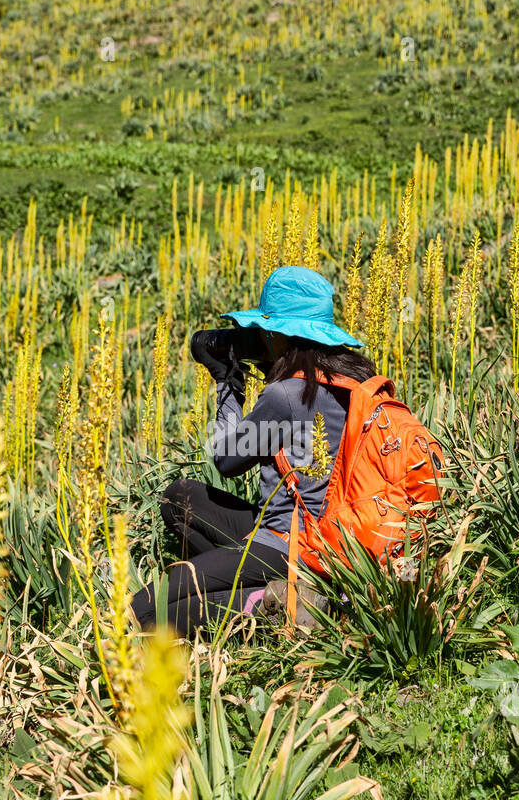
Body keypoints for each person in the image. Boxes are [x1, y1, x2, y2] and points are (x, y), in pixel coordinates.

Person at [131, 265, 377, 637]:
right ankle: (257, 587)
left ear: (278, 333)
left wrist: (228, 382)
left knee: (144, 610)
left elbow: (226, 459)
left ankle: (271, 603)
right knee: (180, 498)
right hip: (338, 539)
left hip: (292, 543)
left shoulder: (287, 395)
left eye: (263, 331)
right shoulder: (356, 381)